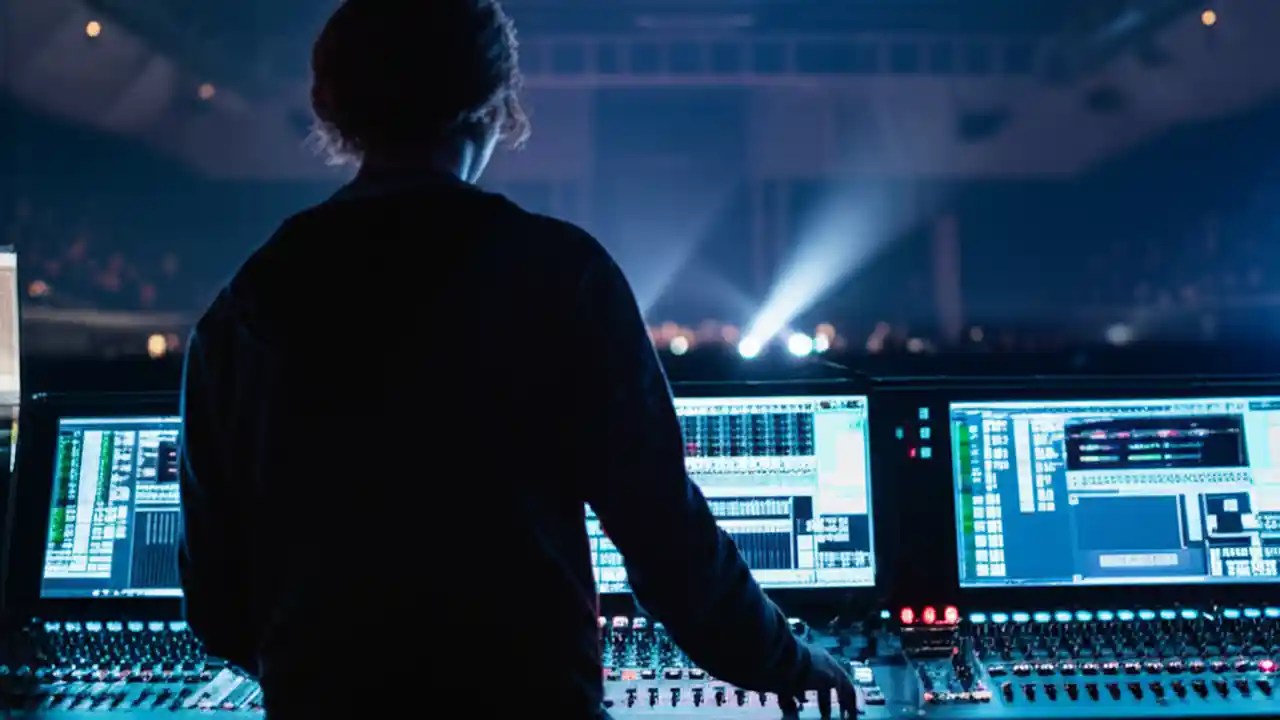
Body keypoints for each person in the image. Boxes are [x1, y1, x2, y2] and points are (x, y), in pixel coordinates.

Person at [177, 1, 859, 717]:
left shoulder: (246, 303)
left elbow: (215, 601)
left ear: (332, 104)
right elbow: (667, 544)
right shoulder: (560, 274)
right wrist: (785, 661)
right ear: (496, 101)